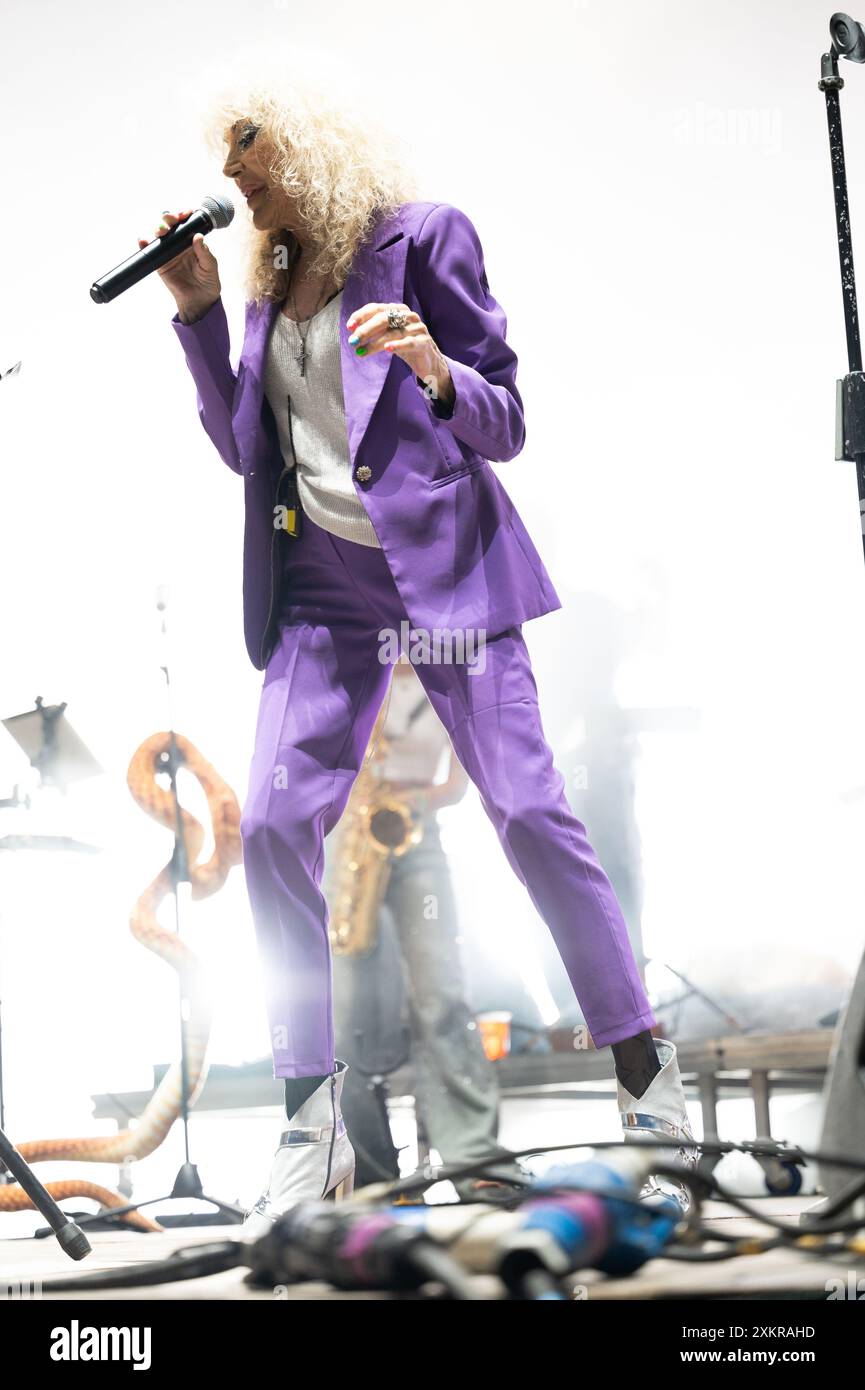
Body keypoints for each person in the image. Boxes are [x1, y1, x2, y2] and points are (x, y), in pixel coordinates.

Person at [146, 73, 698, 1236]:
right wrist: (198, 310)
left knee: (531, 814)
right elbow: (250, 448)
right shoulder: (270, 277)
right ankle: (309, 1125)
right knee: (279, 831)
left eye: (260, 177)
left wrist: (433, 370)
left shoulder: (422, 240)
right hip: (320, 591)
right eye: (236, 187)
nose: (244, 201)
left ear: (315, 156)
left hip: (441, 570)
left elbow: (504, 418)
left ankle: (649, 1079)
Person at [324, 653, 524, 1200]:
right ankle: (370, 1174)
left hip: (414, 827)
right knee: (347, 1012)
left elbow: (458, 784)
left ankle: (473, 1159)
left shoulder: (447, 670)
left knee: (441, 994)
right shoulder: (356, 660)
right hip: (348, 838)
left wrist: (407, 799)